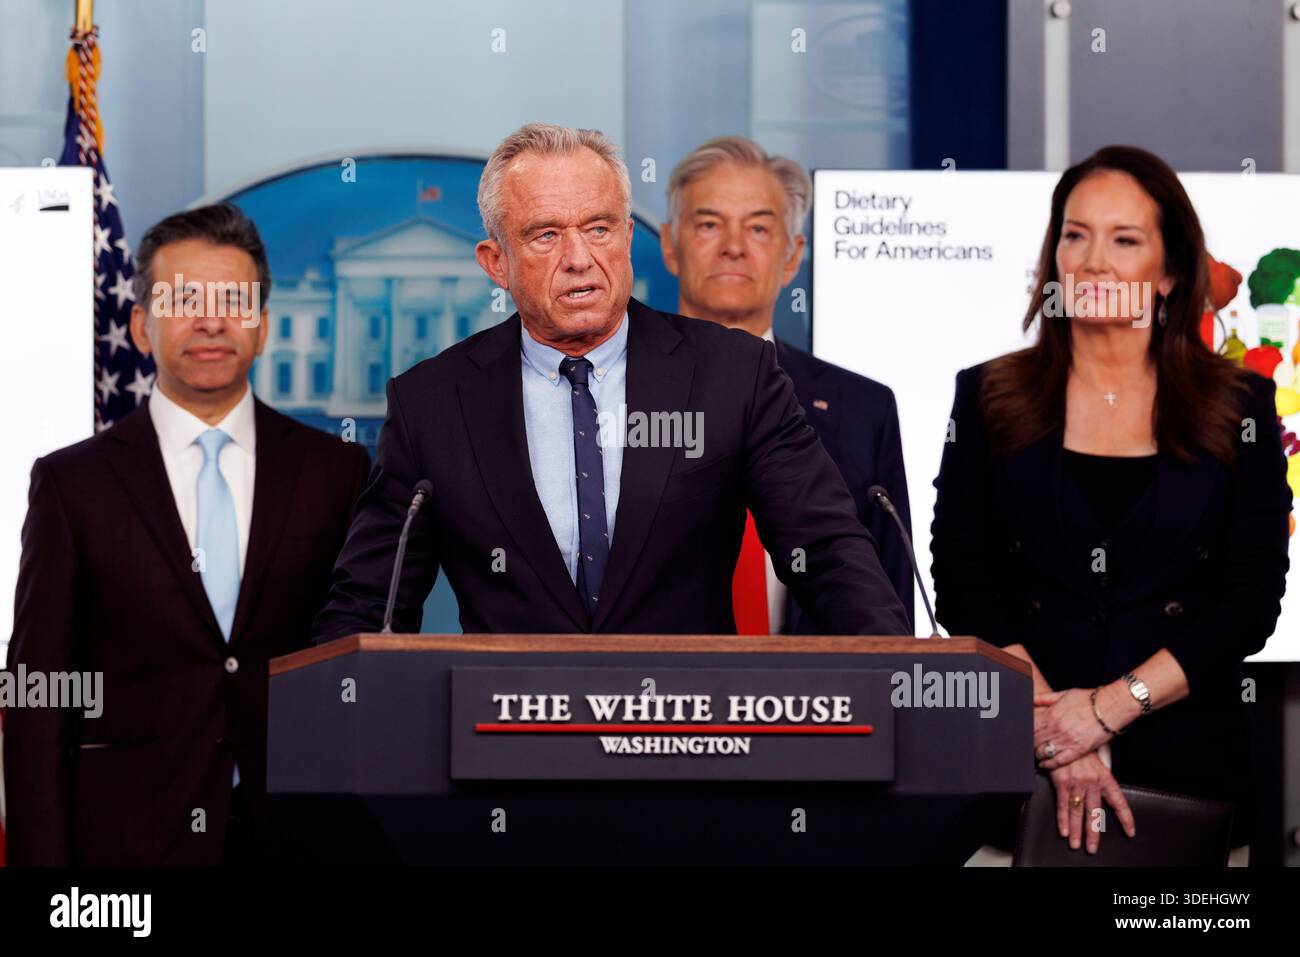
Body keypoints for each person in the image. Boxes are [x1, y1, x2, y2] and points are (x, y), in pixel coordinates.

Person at [313, 123, 910, 642]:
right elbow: (368, 605)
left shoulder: (733, 374)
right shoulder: (432, 404)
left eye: (598, 228)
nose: (579, 258)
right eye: (546, 234)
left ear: (626, 237)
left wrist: (896, 679)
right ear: (496, 263)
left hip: (688, 725)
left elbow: (828, 554)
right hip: (505, 729)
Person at [930, 146, 1291, 859]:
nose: (1093, 262)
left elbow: (1250, 602)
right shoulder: (988, 395)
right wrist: (1054, 732)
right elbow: (962, 583)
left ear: (1170, 272)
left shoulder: (1238, 404)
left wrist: (1104, 711)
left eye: (1124, 240)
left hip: (1188, 778)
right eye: (1076, 235)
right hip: (1016, 779)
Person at [4, 203, 371, 865]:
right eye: (183, 300)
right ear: (141, 327)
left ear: (262, 326)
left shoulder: (335, 472)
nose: (210, 320)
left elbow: (362, 669)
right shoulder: (70, 484)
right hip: (127, 846)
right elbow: (38, 692)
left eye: (233, 300)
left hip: (298, 840)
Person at [660, 135, 913, 634]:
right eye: (709, 224)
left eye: (758, 227)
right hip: (656, 679)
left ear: (793, 255)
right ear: (670, 245)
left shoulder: (863, 408)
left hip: (823, 682)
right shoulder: (611, 389)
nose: (734, 247)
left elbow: (889, 597)